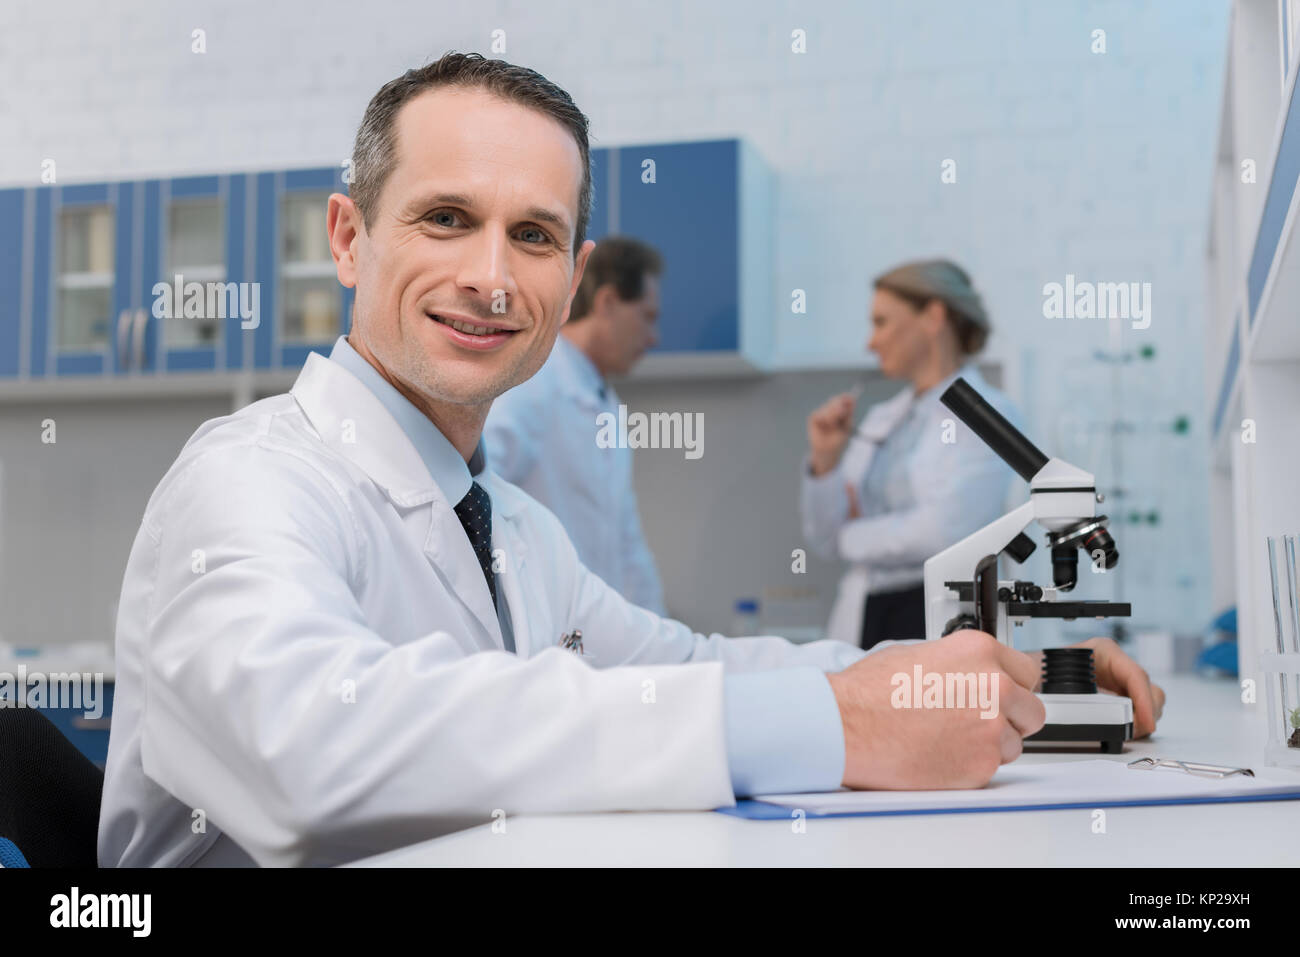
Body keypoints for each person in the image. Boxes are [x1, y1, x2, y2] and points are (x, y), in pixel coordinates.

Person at [98, 54, 1163, 868]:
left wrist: (1007, 679)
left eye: (533, 236)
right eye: (446, 218)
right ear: (346, 237)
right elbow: (302, 752)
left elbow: (691, 667)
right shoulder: (250, 479)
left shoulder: (513, 530)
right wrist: (837, 726)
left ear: (572, 280)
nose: (490, 277)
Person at [801, 260, 1024, 649]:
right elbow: (823, 537)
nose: (871, 342)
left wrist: (850, 536)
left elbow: (943, 532)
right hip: (865, 616)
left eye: (881, 322)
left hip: (937, 615)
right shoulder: (881, 419)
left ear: (933, 316)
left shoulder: (989, 415)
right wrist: (825, 461)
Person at [483, 235, 666, 614]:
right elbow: (470, 497)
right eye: (646, 316)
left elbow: (627, 546)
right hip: (538, 624)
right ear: (607, 302)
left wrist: (661, 632)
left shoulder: (606, 404)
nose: (653, 338)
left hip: (593, 628)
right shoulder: (530, 383)